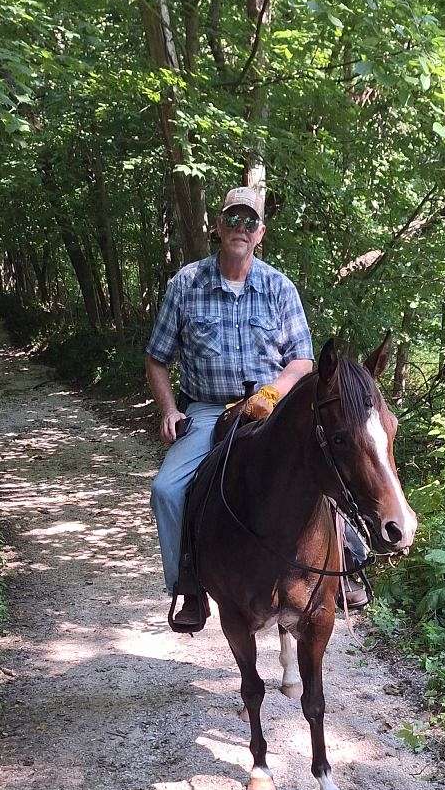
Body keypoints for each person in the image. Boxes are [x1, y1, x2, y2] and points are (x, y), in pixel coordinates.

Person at [145, 185, 368, 631]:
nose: (240, 229)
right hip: (209, 407)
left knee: (325, 458)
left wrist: (272, 393)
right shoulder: (185, 285)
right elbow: (156, 357)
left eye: (250, 222)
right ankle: (188, 584)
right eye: (233, 220)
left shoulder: (278, 287)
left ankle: (349, 564)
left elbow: (303, 359)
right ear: (218, 226)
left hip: (273, 405)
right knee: (168, 491)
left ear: (260, 232)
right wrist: (169, 409)